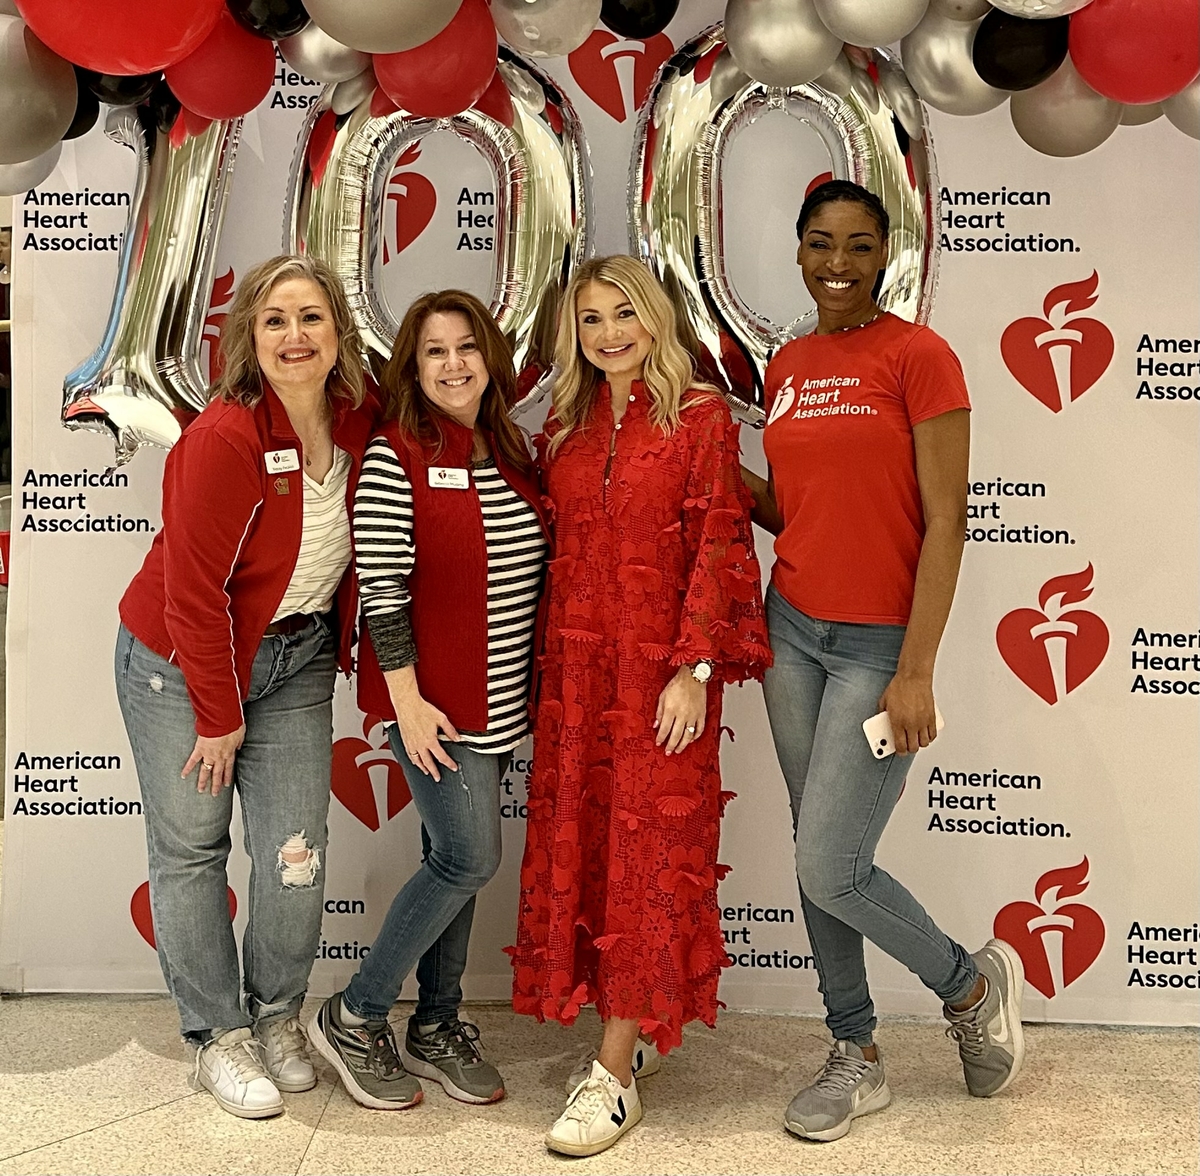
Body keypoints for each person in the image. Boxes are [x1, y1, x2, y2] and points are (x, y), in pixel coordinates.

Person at [742, 179, 1025, 1143]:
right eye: (821, 243)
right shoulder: (788, 362)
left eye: (859, 246)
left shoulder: (921, 356)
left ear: (886, 255)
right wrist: (708, 455)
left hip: (876, 648)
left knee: (829, 863)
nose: (837, 264)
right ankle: (854, 1051)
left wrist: (917, 668)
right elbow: (793, 509)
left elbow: (947, 521)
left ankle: (965, 984)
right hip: (791, 632)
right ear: (798, 251)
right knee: (820, 857)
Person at [509, 255, 770, 1157]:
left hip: (663, 681)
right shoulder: (567, 426)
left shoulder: (700, 418)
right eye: (590, 319)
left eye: (624, 313)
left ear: (655, 319)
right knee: (590, 854)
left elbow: (720, 537)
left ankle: (613, 1076)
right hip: (577, 682)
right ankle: (633, 1022)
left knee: (650, 858)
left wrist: (695, 667)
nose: (609, 332)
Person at [115, 254, 377, 1119]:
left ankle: (276, 1019)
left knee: (295, 855)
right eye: (274, 321)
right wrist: (218, 717)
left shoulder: (360, 421)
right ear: (250, 340)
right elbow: (193, 595)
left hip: (294, 660)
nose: (295, 336)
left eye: (311, 318)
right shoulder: (226, 437)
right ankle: (217, 1038)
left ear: (339, 330)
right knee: (192, 848)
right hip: (182, 667)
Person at [307, 291, 550, 1111]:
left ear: (490, 356)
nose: (453, 364)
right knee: (468, 857)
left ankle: (438, 1025)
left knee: (457, 863)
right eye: (433, 351)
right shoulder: (396, 452)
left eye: (465, 347)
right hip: (435, 706)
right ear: (412, 369)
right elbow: (382, 586)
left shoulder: (512, 449)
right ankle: (357, 1011)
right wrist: (405, 700)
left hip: (502, 697)